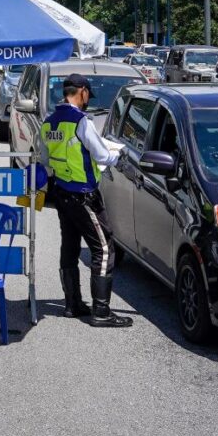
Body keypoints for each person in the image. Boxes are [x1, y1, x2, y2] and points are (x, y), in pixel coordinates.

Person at [41, 73, 131, 328]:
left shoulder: (49, 122)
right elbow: (102, 155)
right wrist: (117, 155)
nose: (88, 99)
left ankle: (73, 304)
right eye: (88, 94)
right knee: (103, 250)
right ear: (81, 91)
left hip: (61, 193)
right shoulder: (81, 121)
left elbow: (45, 160)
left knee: (69, 246)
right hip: (83, 195)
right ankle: (101, 312)